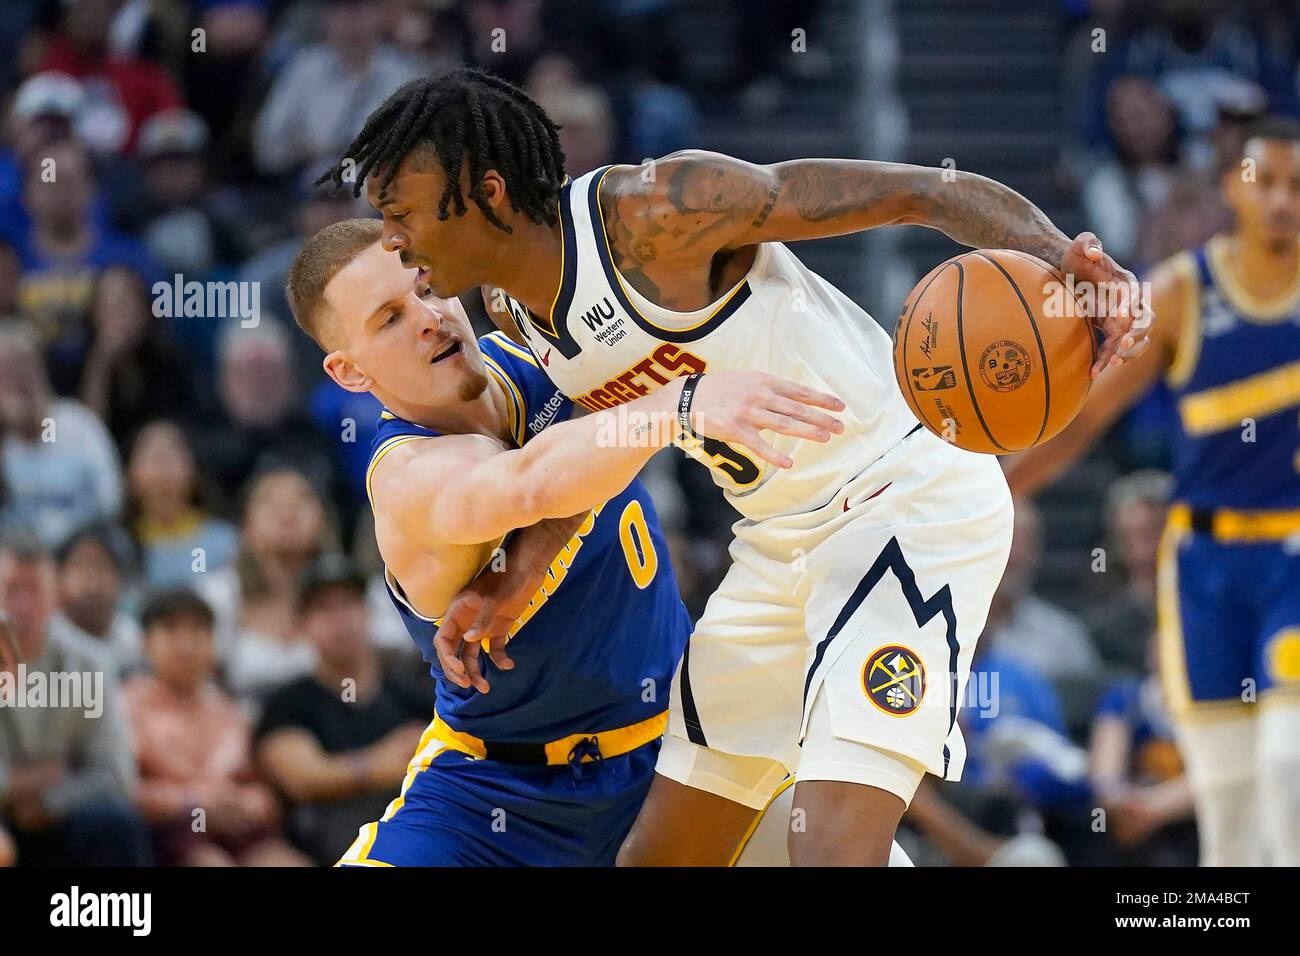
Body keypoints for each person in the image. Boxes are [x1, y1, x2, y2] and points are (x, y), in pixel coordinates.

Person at [318, 67, 1148, 866]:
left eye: (403, 213)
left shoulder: (658, 213)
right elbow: (610, 443)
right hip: (777, 540)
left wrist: (1063, 257)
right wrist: (516, 575)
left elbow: (919, 191)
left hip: (901, 500)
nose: (394, 240)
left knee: (826, 850)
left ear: (487, 194)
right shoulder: (513, 313)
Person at [283, 217, 839, 865]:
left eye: (427, 289)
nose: (430, 318)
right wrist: (677, 404)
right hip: (498, 800)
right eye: (390, 319)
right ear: (349, 372)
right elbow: (529, 485)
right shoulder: (409, 478)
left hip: (681, 759)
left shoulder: (548, 355)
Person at [1005, 116, 1300, 866]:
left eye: (1298, 188)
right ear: (1233, 187)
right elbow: (1086, 419)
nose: (1282, 202)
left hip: (1293, 558)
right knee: (1229, 807)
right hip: (1202, 564)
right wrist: (999, 488)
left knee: (1288, 766)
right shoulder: (1181, 291)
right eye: (1267, 183)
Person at [254, 554, 433, 867]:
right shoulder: (288, 702)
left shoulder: (414, 693)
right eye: (323, 609)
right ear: (300, 625)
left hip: (421, 834)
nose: (339, 619)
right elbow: (304, 779)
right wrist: (381, 763)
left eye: (348, 604)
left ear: (368, 612)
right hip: (327, 845)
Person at [124, 587, 309, 867]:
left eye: (198, 631)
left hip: (240, 826)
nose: (186, 645)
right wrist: (194, 801)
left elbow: (264, 790)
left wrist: (247, 803)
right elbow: (123, 789)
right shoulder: (126, 707)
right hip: (171, 831)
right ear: (145, 643)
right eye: (171, 630)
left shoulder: (231, 711)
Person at [0, 533, 150, 866]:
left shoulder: (91, 662)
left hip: (64, 818)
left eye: (34, 590)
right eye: (11, 590)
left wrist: (50, 803)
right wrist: (19, 781)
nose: (23, 605)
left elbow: (116, 774)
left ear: (58, 595)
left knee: (114, 822)